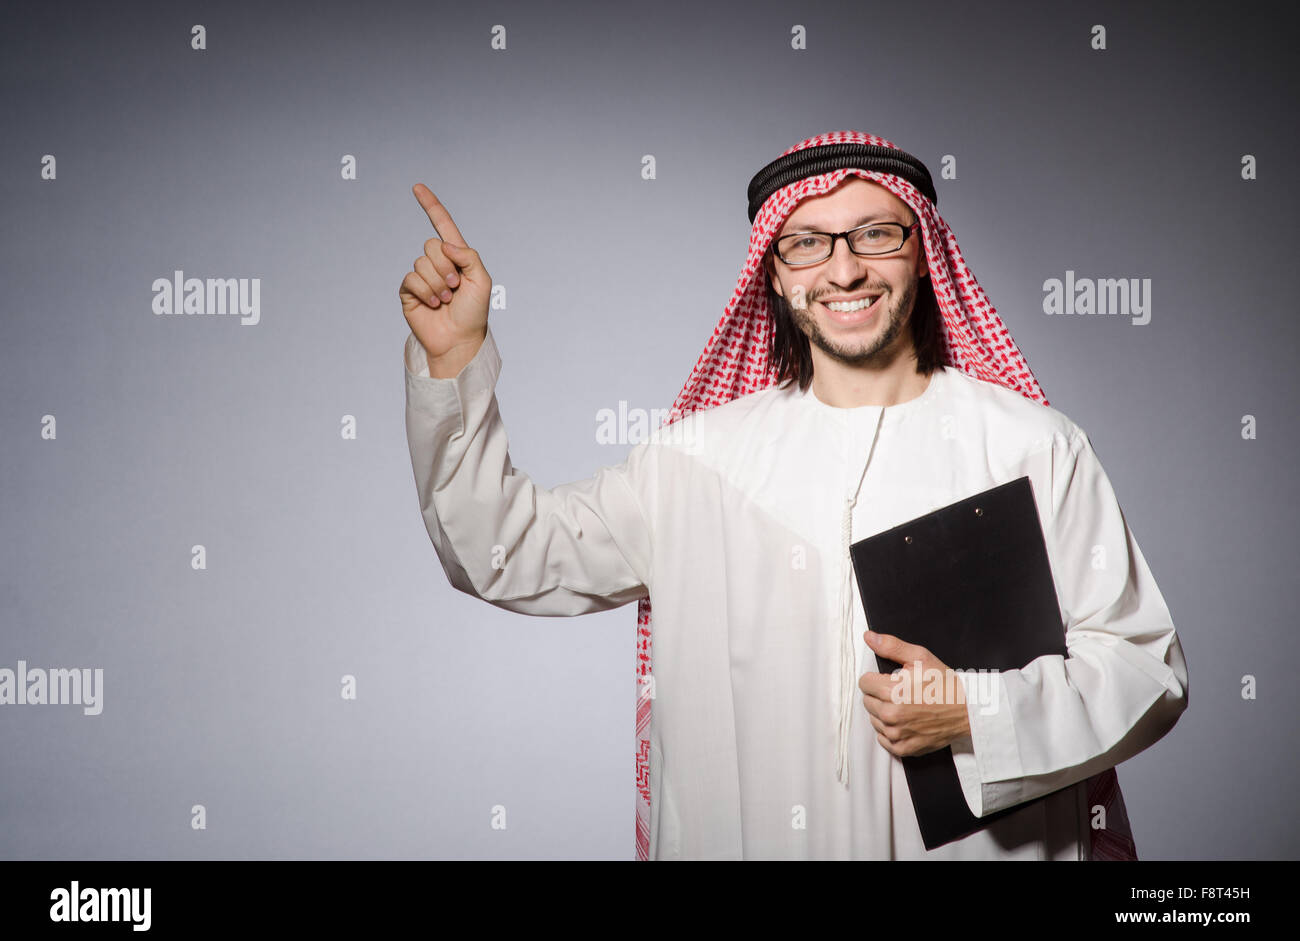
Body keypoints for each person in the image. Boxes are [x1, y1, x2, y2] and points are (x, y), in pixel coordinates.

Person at [399, 130, 1188, 860]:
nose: (843, 270)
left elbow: (1144, 670)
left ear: (925, 253)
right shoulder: (693, 463)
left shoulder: (1031, 447)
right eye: (807, 243)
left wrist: (976, 712)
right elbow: (500, 552)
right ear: (774, 272)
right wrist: (456, 358)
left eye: (877, 234)